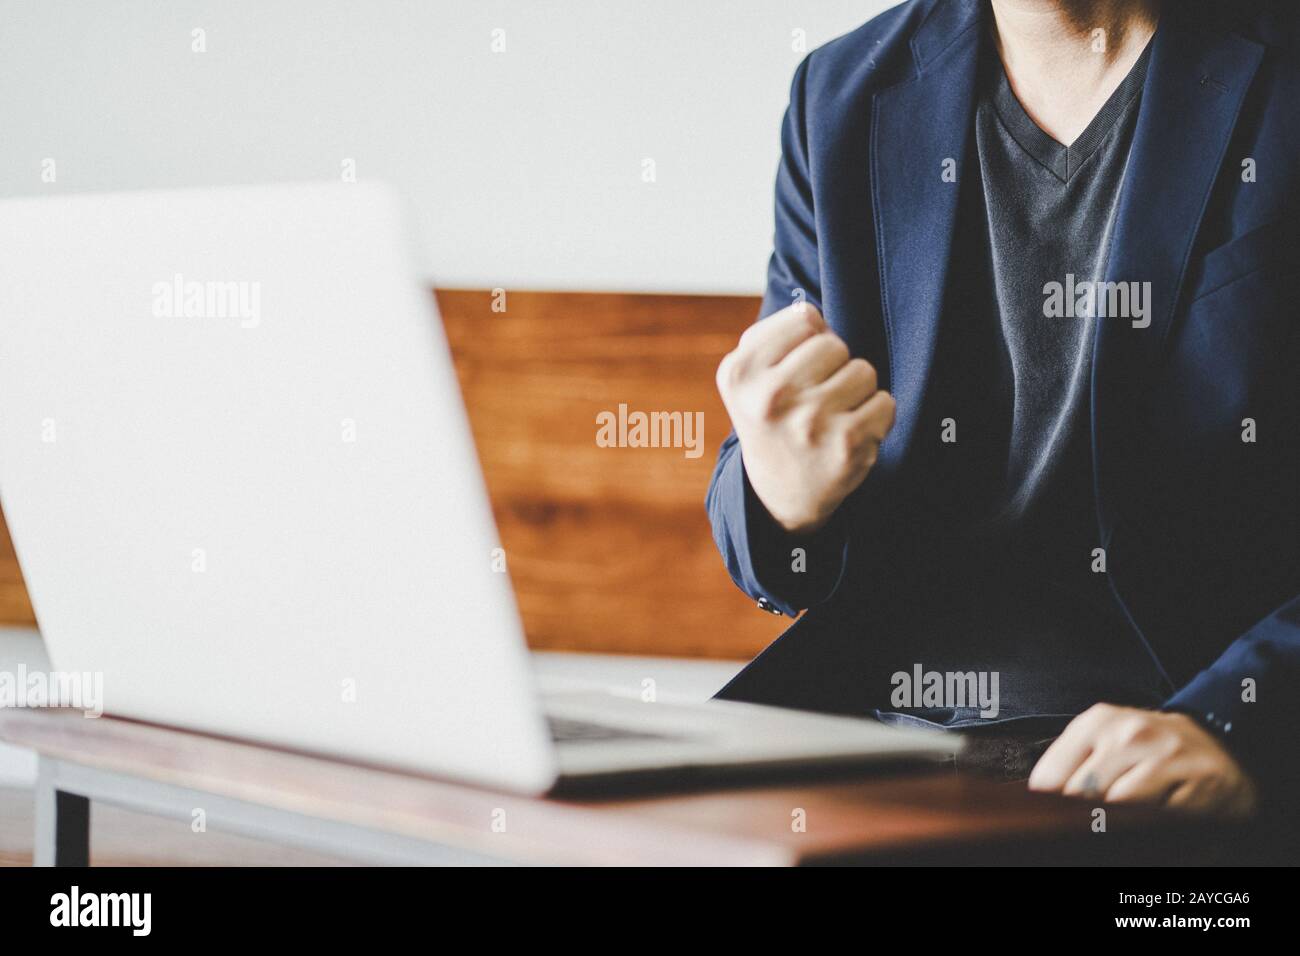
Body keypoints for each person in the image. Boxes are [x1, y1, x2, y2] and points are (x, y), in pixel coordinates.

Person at [706, 0, 1297, 821]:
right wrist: (780, 497)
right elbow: (771, 528)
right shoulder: (839, 92)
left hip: (1166, 762)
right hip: (879, 756)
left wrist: (1238, 722)